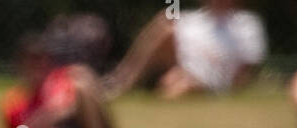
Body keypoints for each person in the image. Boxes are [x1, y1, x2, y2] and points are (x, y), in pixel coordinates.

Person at [0, 33, 145, 128]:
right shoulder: (16, 103)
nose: (38, 67)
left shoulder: (56, 82)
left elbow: (64, 108)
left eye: (42, 60)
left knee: (81, 81)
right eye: (32, 62)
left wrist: (33, 127)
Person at [103, 0, 267, 100]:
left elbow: (246, 70)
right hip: (184, 70)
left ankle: (123, 87)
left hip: (214, 82)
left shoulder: (246, 24)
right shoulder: (194, 19)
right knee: (165, 24)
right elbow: (169, 19)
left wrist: (227, 91)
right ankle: (122, 82)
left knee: (176, 89)